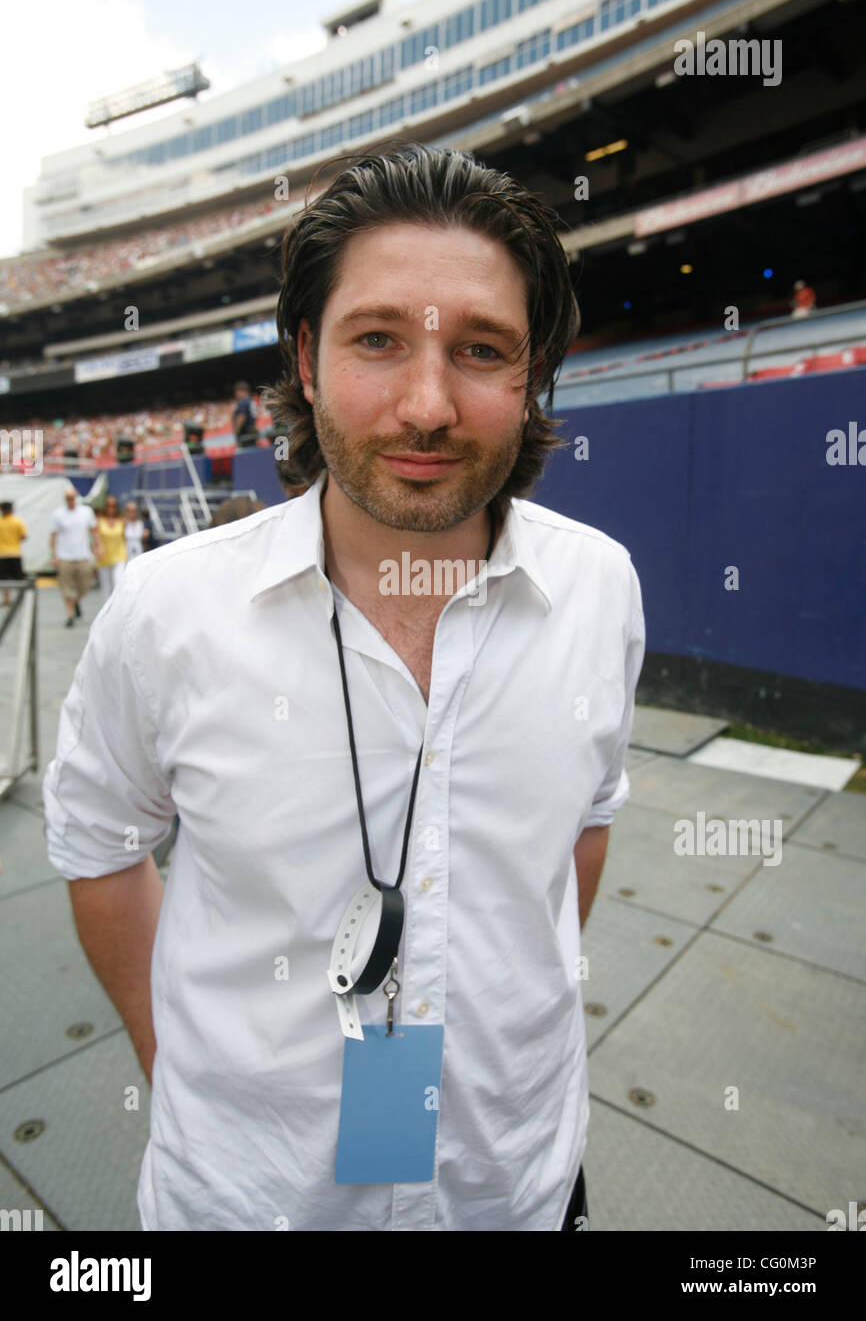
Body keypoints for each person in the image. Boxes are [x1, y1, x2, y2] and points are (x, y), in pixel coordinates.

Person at [43, 143, 644, 1232]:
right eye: (376, 339)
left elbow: (582, 829)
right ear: (306, 361)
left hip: (512, 1187)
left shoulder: (599, 589)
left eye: (480, 349)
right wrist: (168, 1056)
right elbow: (99, 846)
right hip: (251, 1199)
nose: (426, 406)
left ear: (531, 374)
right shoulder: (166, 612)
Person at [49, 487, 102, 627]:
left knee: (86, 586)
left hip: (83, 555)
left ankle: (75, 601)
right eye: (68, 498)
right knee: (66, 587)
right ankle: (70, 614)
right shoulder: (58, 514)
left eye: (72, 497)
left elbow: (94, 530)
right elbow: (53, 535)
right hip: (65, 556)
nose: (70, 501)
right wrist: (53, 555)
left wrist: (98, 546)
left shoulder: (86, 512)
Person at [95, 494, 127, 607]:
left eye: (113, 505)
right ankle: (105, 612)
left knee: (118, 583)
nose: (111, 508)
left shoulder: (122, 521)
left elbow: (125, 538)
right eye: (108, 505)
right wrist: (97, 548)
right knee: (106, 588)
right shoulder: (99, 521)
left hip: (119, 556)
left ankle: (118, 609)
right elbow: (96, 537)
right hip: (104, 558)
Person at [0, 500, 28, 606]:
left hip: (2, 554)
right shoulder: (17, 521)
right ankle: (21, 598)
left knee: (3, 578)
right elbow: (23, 536)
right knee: (18, 577)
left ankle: (6, 599)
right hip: (15, 552)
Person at [232, 380, 258, 448]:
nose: (235, 395)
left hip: (245, 434)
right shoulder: (251, 400)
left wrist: (235, 432)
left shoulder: (243, 401)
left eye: (236, 392)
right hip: (253, 431)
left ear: (241, 391)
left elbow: (241, 417)